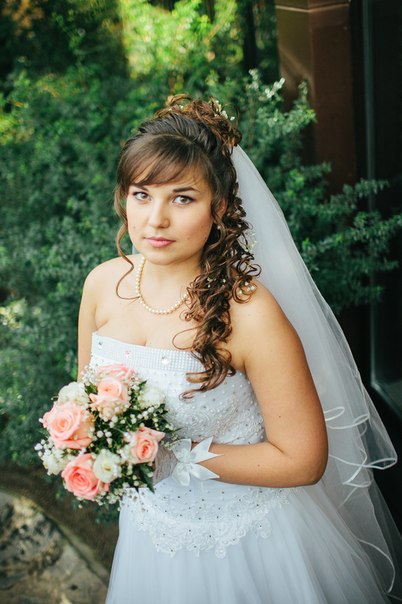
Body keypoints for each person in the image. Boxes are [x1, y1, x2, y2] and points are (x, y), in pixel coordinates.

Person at [78, 95, 402, 603]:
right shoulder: (102, 284)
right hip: (150, 535)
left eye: (182, 198)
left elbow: (302, 459)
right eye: (142, 194)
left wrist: (175, 457)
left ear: (220, 207)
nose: (155, 219)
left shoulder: (249, 313)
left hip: (252, 543)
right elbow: (89, 402)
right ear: (124, 198)